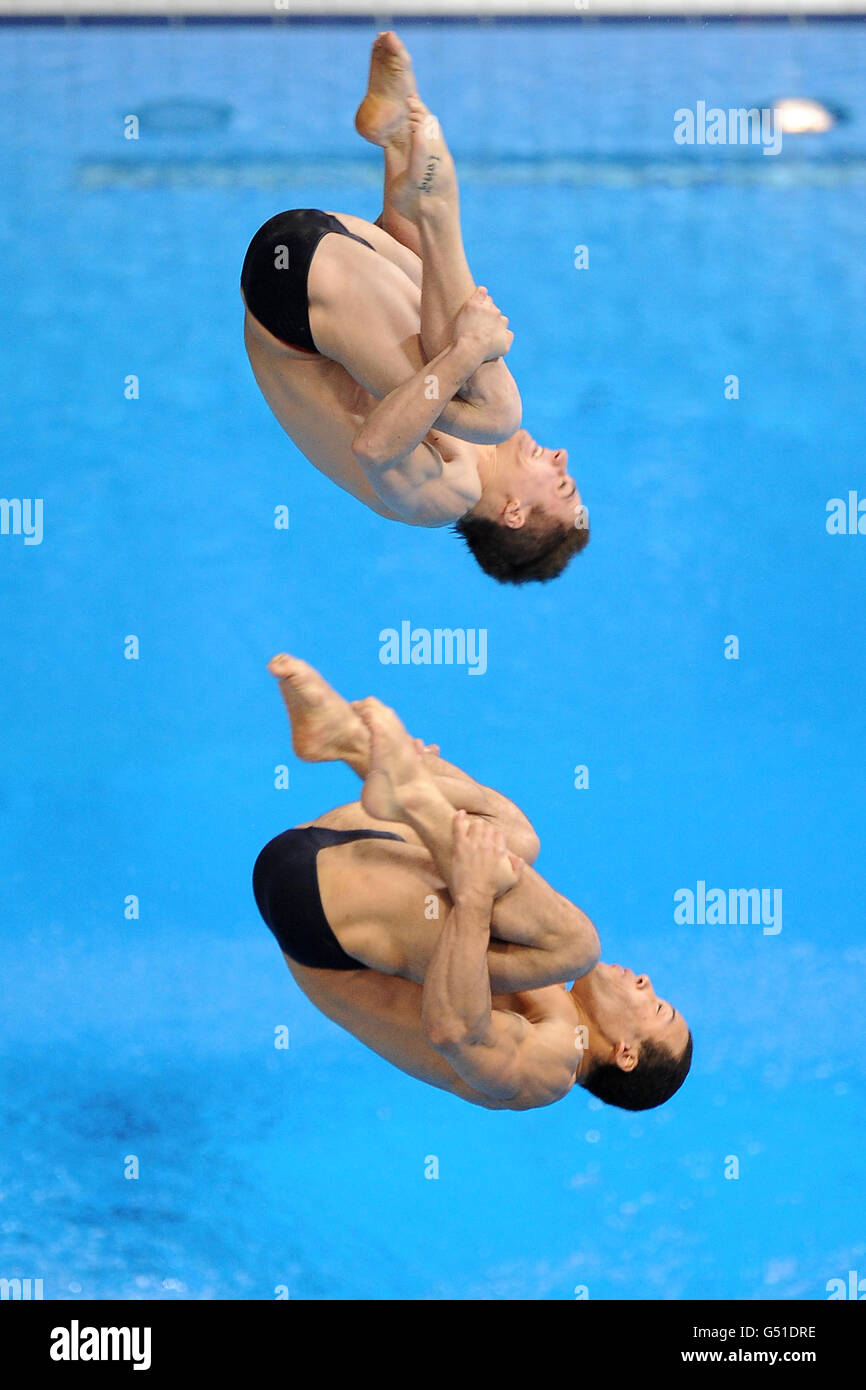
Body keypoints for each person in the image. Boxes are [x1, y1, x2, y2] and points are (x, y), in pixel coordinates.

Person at [253, 655, 692, 1112]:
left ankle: (406, 784)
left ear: (625, 1052)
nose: (646, 981)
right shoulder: (543, 981)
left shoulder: (551, 1069)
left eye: (657, 1008)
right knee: (520, 839)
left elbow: (454, 1031)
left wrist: (474, 899)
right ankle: (358, 747)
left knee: (578, 945)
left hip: (314, 912)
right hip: (338, 855)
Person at [241, 32, 589, 583]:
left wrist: (469, 349)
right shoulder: (473, 447)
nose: (564, 458)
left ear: (514, 514)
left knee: (493, 403)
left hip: (288, 295)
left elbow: (375, 447)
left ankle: (435, 202)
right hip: (324, 252)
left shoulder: (444, 499)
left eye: (563, 485)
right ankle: (398, 134)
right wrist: (459, 356)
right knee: (458, 369)